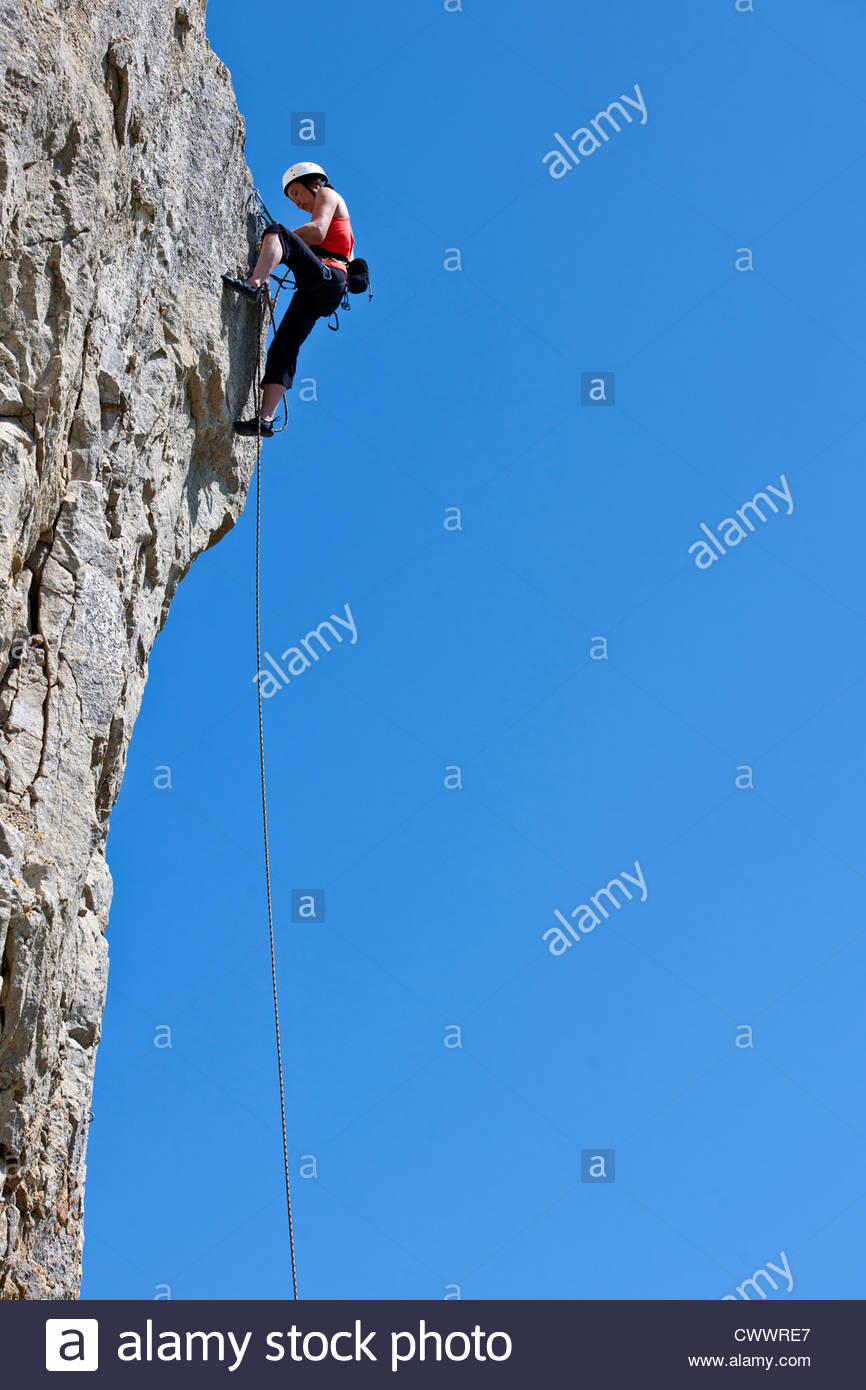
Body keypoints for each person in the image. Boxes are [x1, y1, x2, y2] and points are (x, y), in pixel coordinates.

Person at [223, 162, 355, 437]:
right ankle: (265, 419)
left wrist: (276, 239)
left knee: (278, 231)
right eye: (293, 199)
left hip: (329, 277)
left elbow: (317, 231)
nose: (297, 202)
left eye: (297, 193)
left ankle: (253, 284)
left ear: (314, 184)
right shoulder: (331, 213)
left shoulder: (328, 195)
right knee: (284, 346)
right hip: (321, 288)